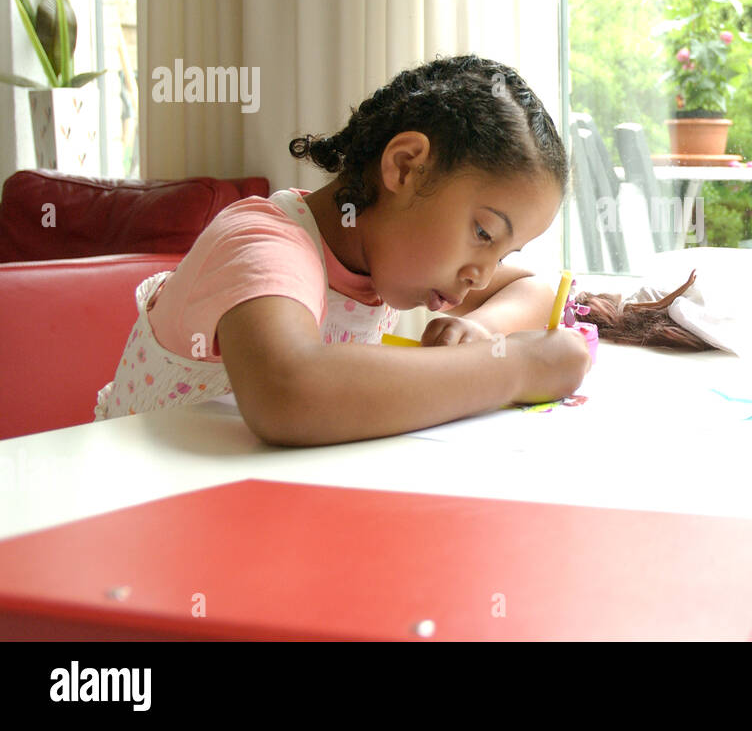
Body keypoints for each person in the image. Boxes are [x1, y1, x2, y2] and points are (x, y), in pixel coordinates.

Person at [95, 55, 591, 445]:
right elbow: (288, 392)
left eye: (501, 255)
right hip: (131, 519)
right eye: (483, 233)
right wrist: (515, 368)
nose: (481, 278)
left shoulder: (385, 261)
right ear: (405, 167)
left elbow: (533, 288)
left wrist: (483, 329)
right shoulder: (264, 244)